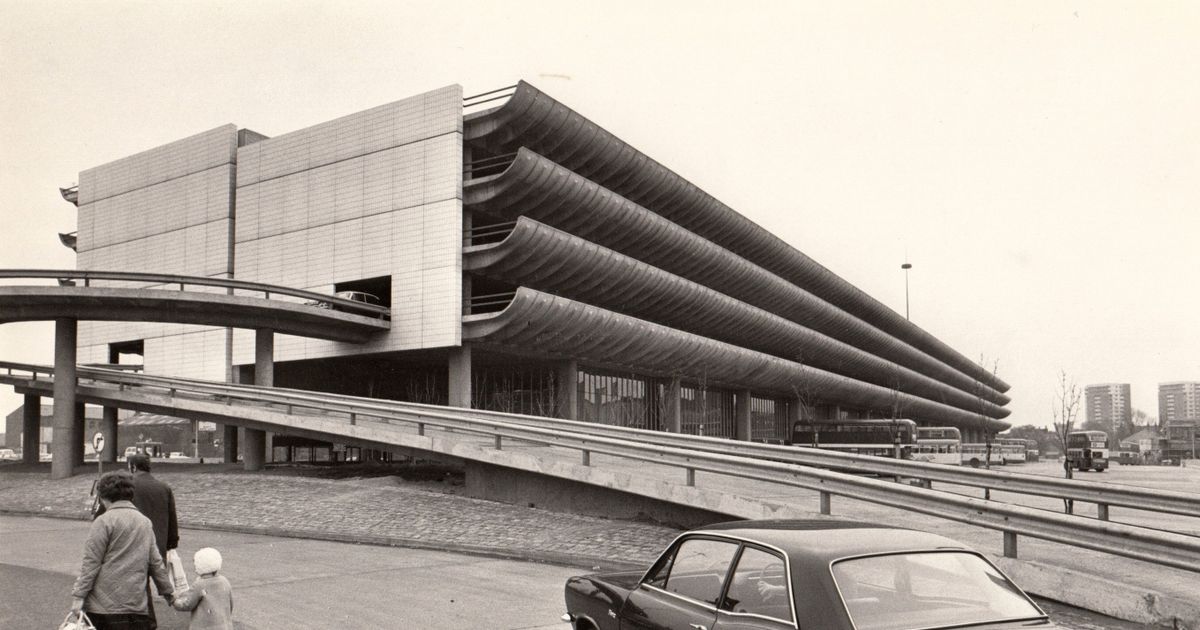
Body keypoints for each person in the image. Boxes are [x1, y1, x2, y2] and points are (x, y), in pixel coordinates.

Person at [70, 471, 175, 630]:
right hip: (136, 604)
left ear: (103, 496)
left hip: (103, 606)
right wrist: (168, 593)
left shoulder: (103, 521)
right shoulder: (144, 522)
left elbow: (91, 564)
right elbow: (156, 563)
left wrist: (79, 596)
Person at [96, 452, 181, 628]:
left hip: (132, 545)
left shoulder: (127, 486)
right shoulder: (164, 488)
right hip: (157, 546)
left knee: (134, 587)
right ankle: (148, 623)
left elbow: (107, 513)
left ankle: (145, 623)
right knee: (144, 586)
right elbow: (172, 518)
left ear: (132, 467)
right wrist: (171, 543)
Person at [172, 547, 234, 630]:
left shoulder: (200, 584)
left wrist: (174, 600)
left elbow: (187, 604)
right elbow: (231, 604)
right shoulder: (224, 581)